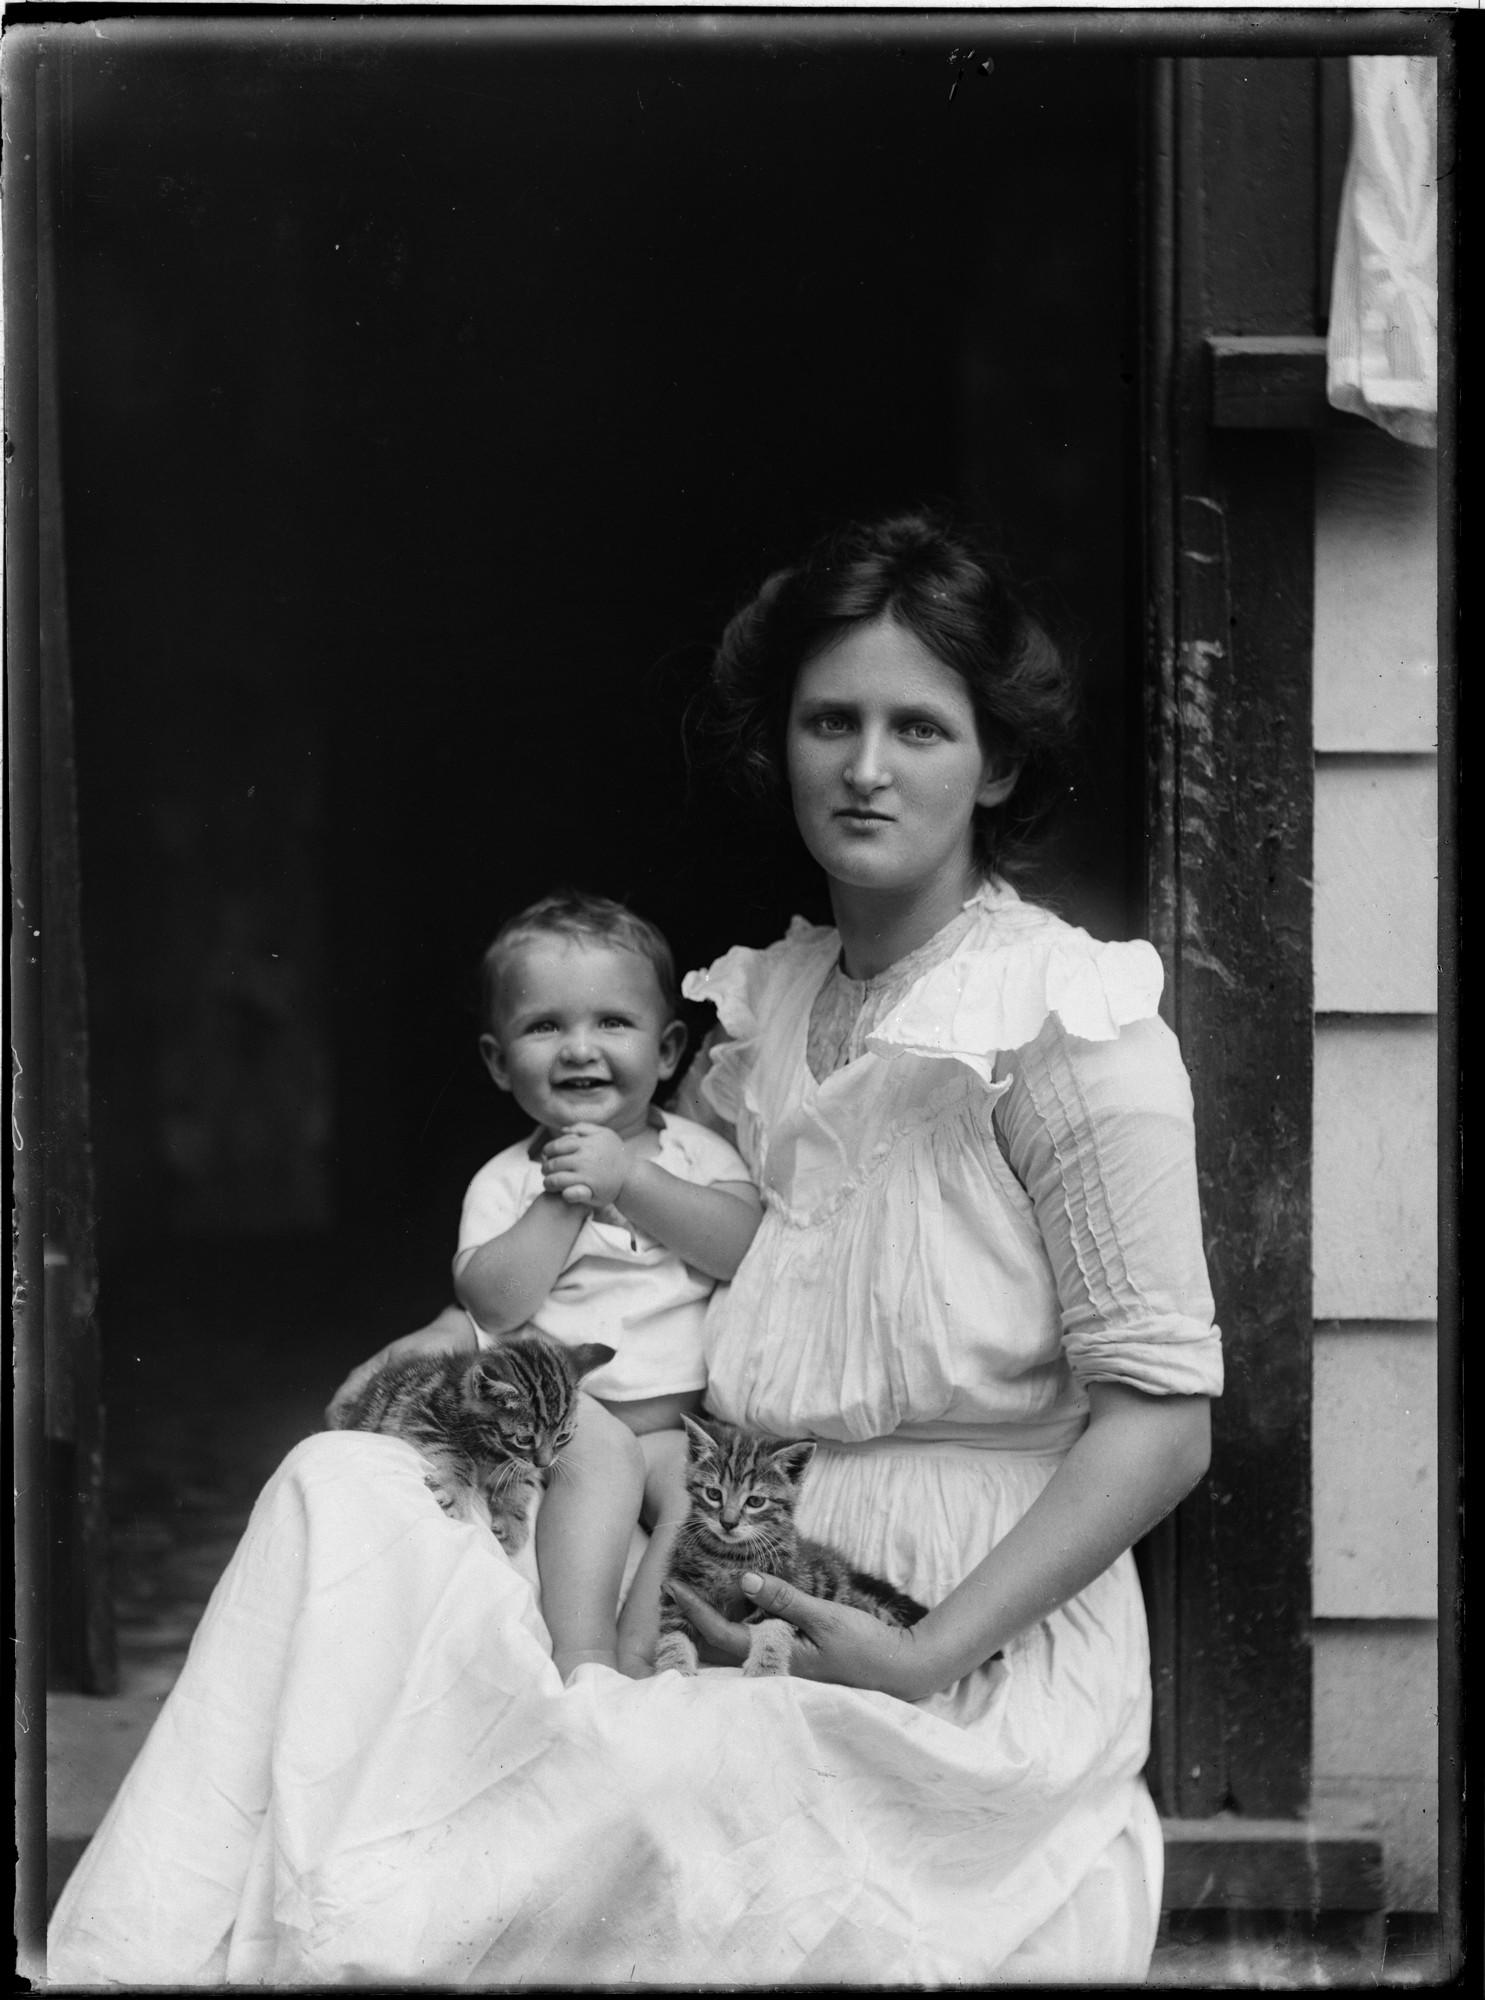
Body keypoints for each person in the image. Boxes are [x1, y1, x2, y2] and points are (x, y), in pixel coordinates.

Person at [48, 510, 1221, 1987]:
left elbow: (1162, 1427)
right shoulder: (768, 1013)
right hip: (723, 1530)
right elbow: (652, 1235)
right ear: (778, 747)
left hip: (954, 1628)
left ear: (992, 764)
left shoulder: (1071, 1030)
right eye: (828, 722)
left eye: (918, 728)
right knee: (338, 1495)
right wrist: (462, 1328)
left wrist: (922, 1655)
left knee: (580, 1798)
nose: (865, 768)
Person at [338, 890, 762, 1681]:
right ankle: (587, 1653)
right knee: (597, 1467)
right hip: (572, 1421)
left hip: (681, 1421)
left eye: (611, 1022)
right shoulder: (504, 1179)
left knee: (704, 1496)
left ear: (668, 1050)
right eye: (544, 1026)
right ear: (500, 1062)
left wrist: (627, 1179)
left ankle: (655, 1640)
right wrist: (562, 1200)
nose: (578, 1049)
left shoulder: (700, 1155)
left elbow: (741, 1247)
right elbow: (493, 1303)